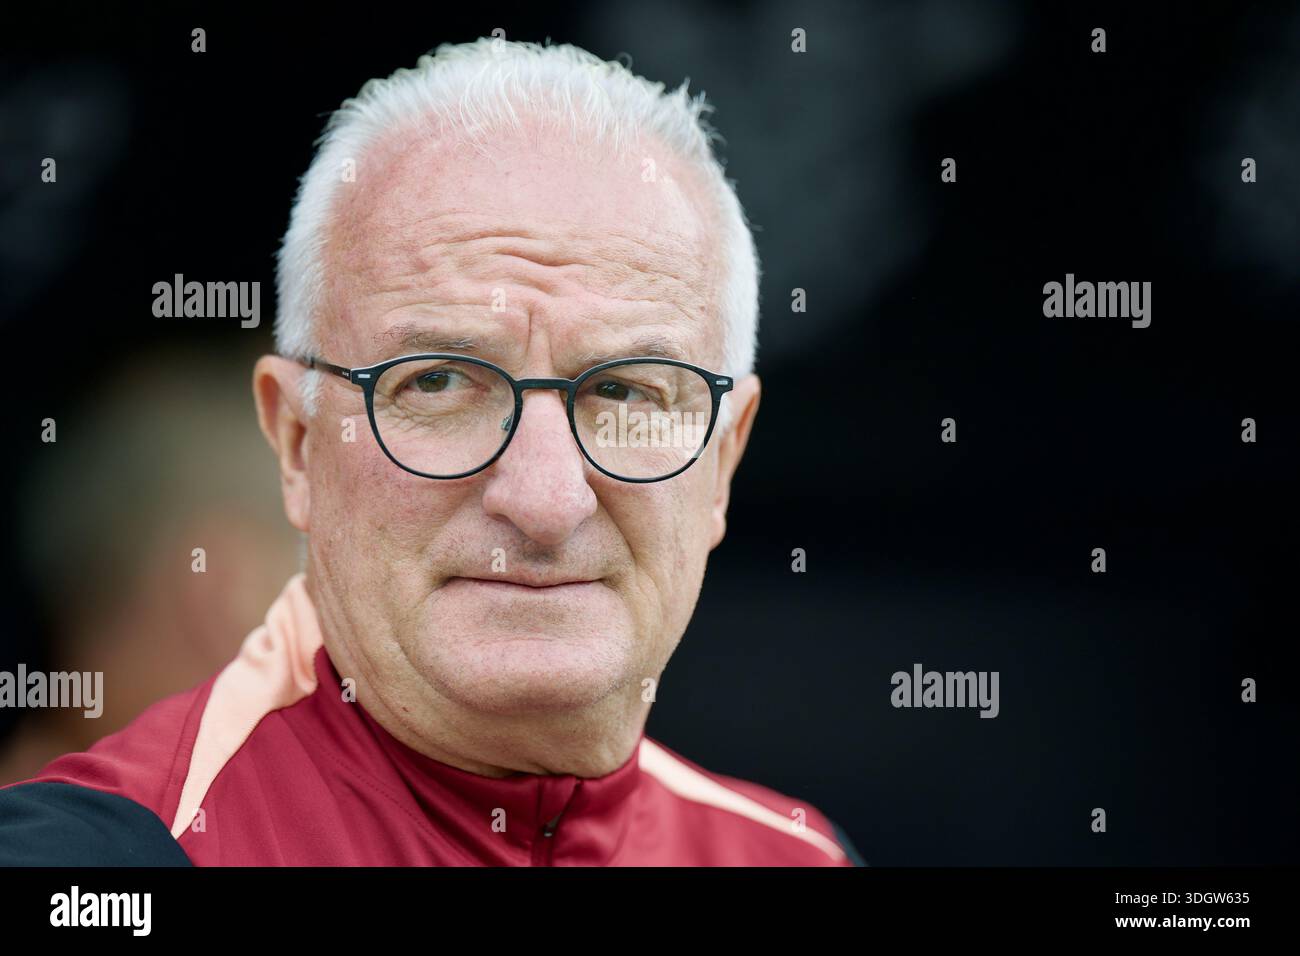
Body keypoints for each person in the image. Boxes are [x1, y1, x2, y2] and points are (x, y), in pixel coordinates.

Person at [0, 38, 863, 866]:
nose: (544, 499)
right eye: (441, 384)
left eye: (626, 391)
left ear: (722, 462)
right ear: (295, 444)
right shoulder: (101, 859)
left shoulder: (799, 856)